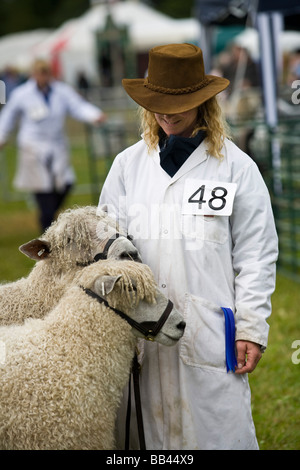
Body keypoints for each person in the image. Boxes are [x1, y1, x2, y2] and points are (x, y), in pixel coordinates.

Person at [98, 44, 278, 450]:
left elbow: (256, 252)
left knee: (215, 431)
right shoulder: (127, 167)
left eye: (179, 103)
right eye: (158, 103)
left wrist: (250, 326)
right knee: (146, 435)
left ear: (203, 101)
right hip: (143, 329)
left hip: (209, 332)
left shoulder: (236, 167)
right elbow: (106, 245)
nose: (167, 113)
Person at [0, 59, 106, 232]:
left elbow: (77, 106)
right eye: (39, 73)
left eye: (45, 72)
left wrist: (94, 115)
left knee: (65, 183)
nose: (42, 76)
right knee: (42, 187)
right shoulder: (22, 93)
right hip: (32, 145)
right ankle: (47, 225)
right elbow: (8, 116)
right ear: (33, 74)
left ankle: (49, 216)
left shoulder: (61, 91)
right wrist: (1, 136)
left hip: (56, 143)